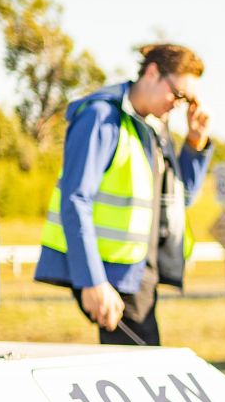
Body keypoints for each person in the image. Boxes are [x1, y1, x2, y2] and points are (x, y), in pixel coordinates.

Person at [34, 43, 213, 345]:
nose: (178, 105)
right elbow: (76, 200)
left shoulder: (154, 128)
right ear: (153, 73)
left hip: (142, 273)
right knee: (143, 373)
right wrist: (92, 281)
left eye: (187, 100)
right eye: (178, 94)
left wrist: (195, 144)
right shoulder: (101, 118)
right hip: (112, 277)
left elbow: (179, 201)